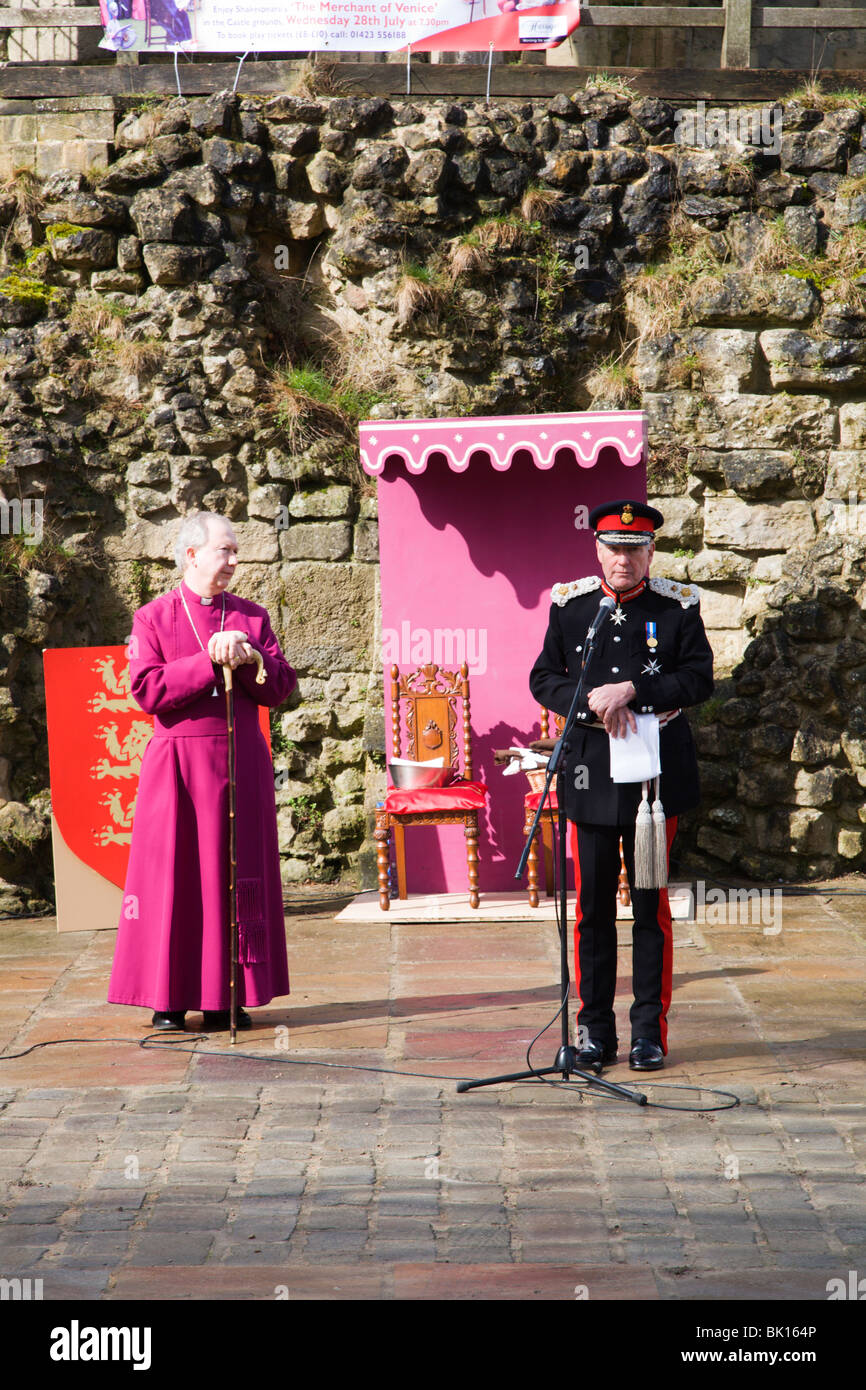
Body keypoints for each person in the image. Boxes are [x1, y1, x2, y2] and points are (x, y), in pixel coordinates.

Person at [529, 499, 714, 1071]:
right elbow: (543, 677)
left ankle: (647, 1034)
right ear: (597, 550)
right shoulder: (571, 607)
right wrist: (588, 700)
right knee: (592, 911)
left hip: (653, 783)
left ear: (650, 551)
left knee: (649, 906)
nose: (623, 559)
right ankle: (593, 1032)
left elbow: (699, 678)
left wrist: (633, 690)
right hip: (590, 773)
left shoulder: (677, 608)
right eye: (613, 548)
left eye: (634, 549)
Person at [108, 511, 296, 1031]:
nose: (235, 561)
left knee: (236, 878)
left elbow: (280, 687)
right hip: (178, 768)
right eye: (225, 551)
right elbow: (148, 690)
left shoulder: (251, 617)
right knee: (175, 878)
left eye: (236, 551)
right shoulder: (152, 617)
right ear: (192, 555)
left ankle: (223, 999)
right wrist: (208, 664)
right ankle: (166, 998)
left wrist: (251, 655)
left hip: (240, 764)